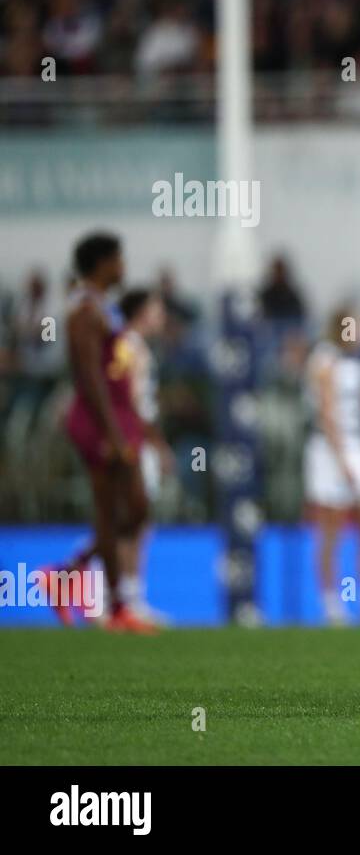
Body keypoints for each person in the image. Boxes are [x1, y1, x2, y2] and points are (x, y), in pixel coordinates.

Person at [48, 232, 154, 632]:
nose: (124, 267)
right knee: (113, 510)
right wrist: (111, 431)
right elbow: (88, 375)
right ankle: (117, 605)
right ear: (102, 263)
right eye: (118, 259)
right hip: (99, 421)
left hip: (116, 418)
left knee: (135, 508)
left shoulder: (102, 308)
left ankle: (70, 574)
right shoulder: (84, 312)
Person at [303, 306, 360, 625]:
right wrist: (342, 460)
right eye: (357, 327)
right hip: (328, 449)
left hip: (355, 444)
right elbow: (327, 414)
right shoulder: (325, 360)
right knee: (331, 528)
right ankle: (331, 602)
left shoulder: (357, 364)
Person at [117, 287, 173, 625]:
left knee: (134, 519)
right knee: (135, 519)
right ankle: (127, 598)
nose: (161, 317)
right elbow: (133, 404)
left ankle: (126, 596)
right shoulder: (130, 348)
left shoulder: (131, 347)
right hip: (134, 442)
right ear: (141, 312)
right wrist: (157, 445)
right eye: (156, 310)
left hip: (133, 439)